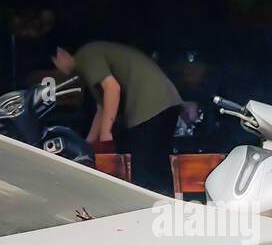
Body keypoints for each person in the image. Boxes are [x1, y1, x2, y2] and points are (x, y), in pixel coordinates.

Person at [50, 38, 182, 195]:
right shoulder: (92, 59)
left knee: (143, 169)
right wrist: (88, 143)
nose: (58, 69)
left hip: (149, 104)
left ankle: (147, 208)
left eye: (54, 62)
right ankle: (165, 203)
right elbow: (103, 107)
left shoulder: (86, 55)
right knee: (158, 162)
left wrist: (106, 134)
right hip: (168, 100)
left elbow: (112, 88)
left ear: (61, 54)